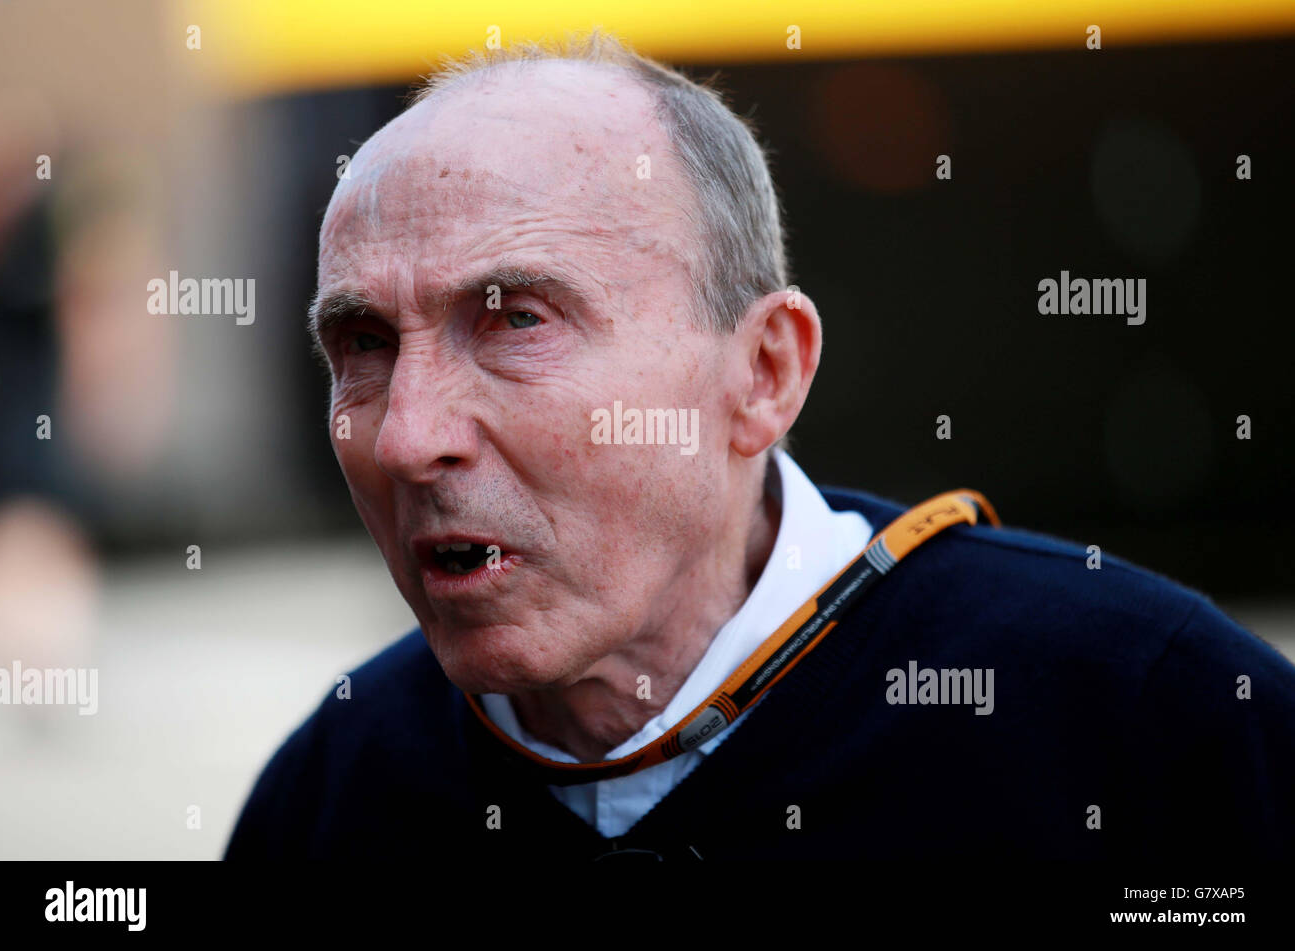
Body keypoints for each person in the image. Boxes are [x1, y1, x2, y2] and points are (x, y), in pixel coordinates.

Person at [224, 32, 1295, 861]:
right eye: (362, 345)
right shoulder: (335, 795)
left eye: (514, 322)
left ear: (764, 373)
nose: (409, 437)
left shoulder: (1153, 722)